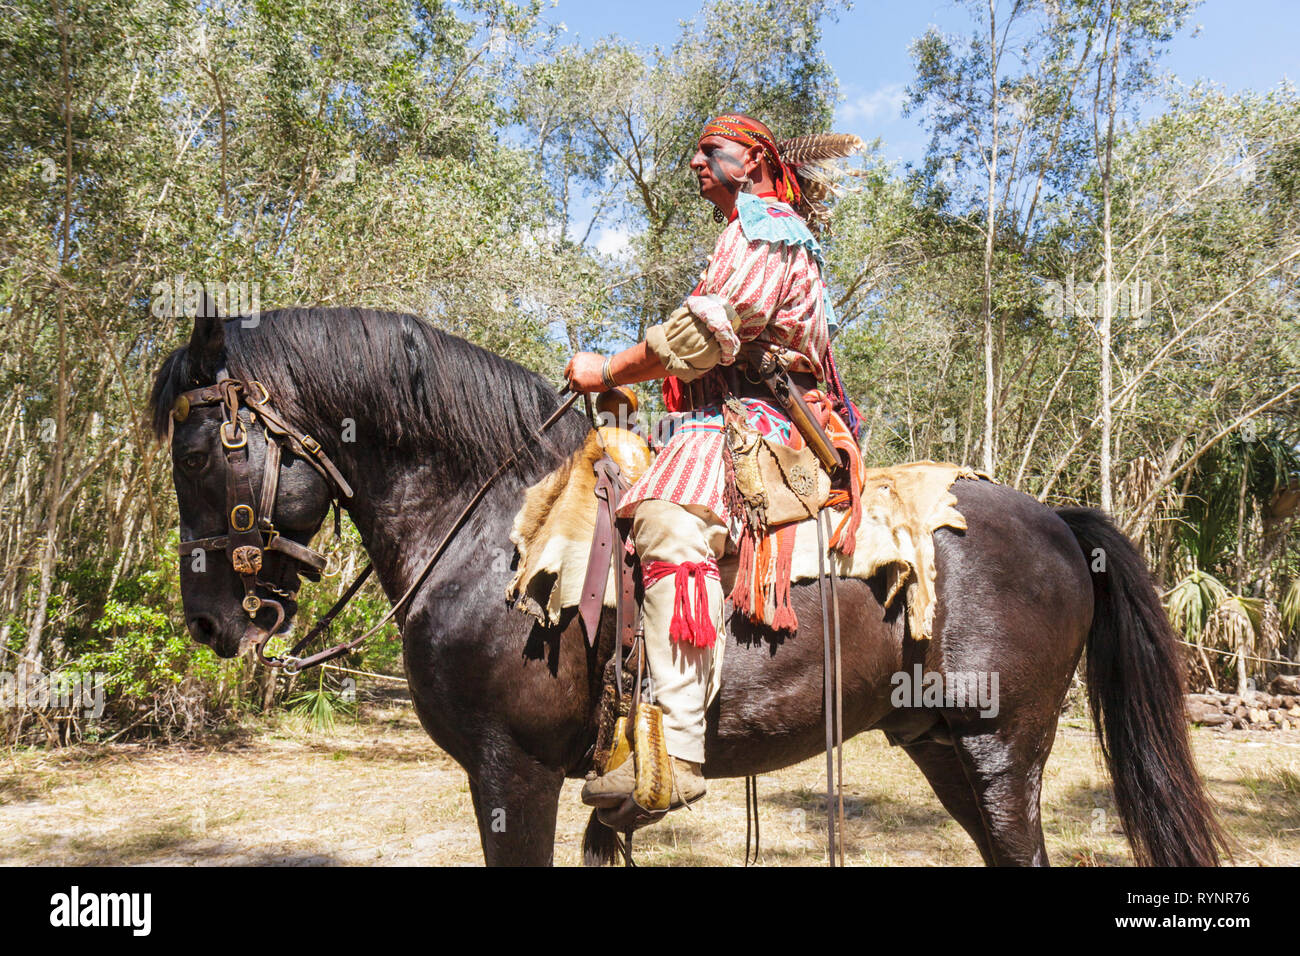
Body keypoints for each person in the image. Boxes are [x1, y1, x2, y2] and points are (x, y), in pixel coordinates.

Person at [565, 113, 860, 812]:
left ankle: (678, 751)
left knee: (668, 514)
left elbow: (703, 336)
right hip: (717, 416)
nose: (696, 162)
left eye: (710, 150)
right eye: (696, 152)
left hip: (753, 424)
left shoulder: (766, 228)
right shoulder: (745, 230)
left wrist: (606, 367)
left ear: (753, 156)